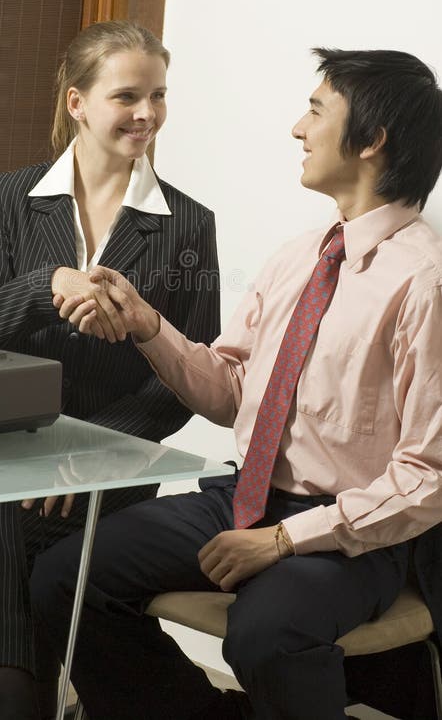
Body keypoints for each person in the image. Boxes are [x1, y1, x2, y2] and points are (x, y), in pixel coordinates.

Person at [31, 48, 442, 720]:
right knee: (64, 579)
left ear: (371, 139)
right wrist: (148, 326)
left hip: (352, 532)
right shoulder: (300, 256)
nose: (298, 129)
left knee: (266, 634)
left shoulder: (424, 283)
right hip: (244, 499)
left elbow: (429, 477)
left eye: (316, 111)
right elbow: (232, 392)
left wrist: (284, 541)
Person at [0, 20, 221, 720]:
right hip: (4, 450)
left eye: (158, 96)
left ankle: (13, 698)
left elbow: (186, 377)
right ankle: (24, 698)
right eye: (127, 96)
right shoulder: (10, 197)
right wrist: (46, 284)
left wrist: (88, 454)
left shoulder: (187, 225)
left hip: (108, 467)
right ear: (77, 102)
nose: (147, 113)